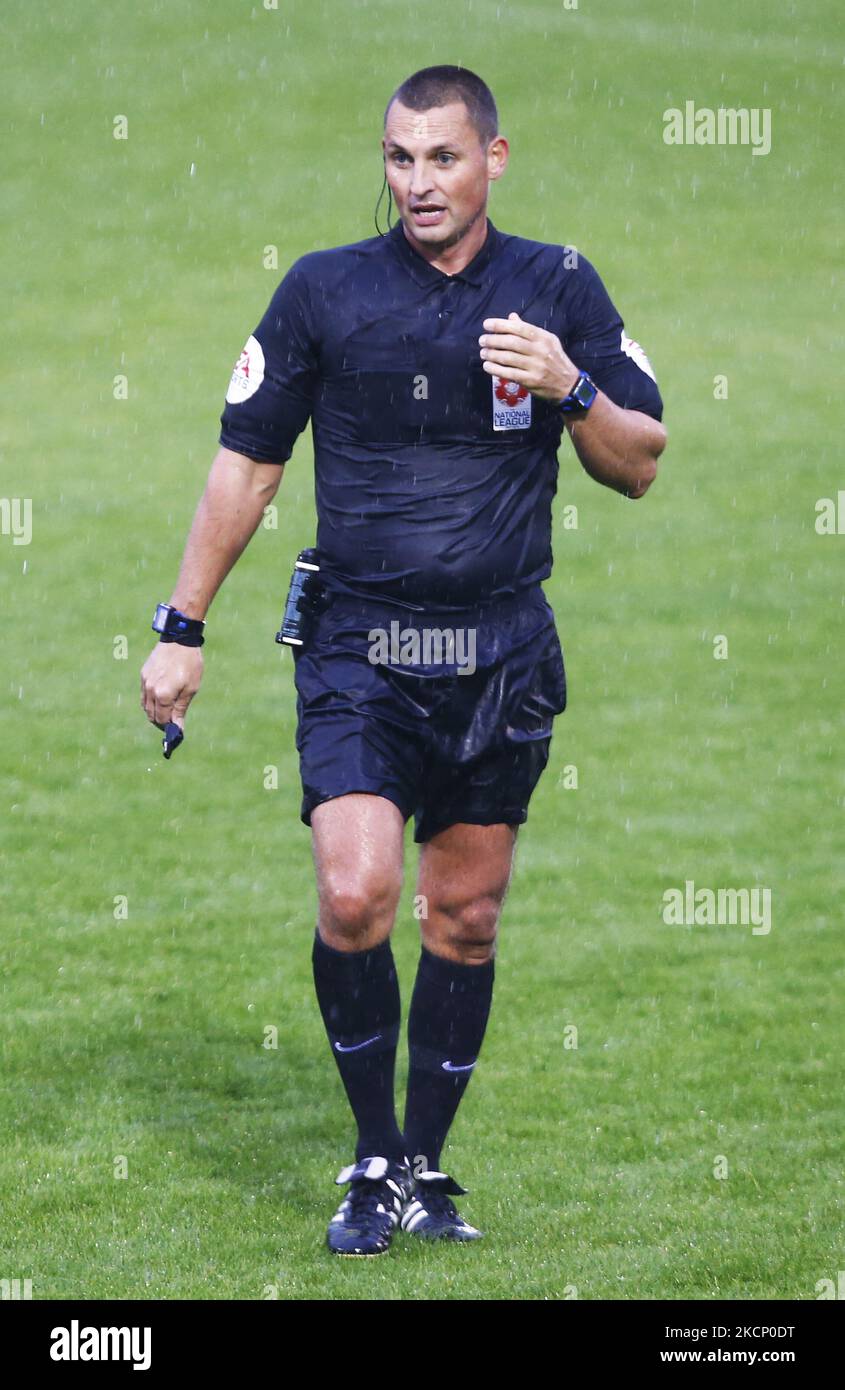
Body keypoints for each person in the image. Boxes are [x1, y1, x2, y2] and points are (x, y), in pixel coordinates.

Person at [140, 64, 666, 1258]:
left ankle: (425, 1168)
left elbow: (637, 460)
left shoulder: (556, 285)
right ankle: (371, 1153)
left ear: (493, 158)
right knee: (354, 893)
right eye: (397, 158)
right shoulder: (324, 292)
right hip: (359, 650)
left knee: (465, 921)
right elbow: (249, 464)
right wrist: (181, 626)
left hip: (499, 656)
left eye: (440, 157)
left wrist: (566, 382)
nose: (417, 182)